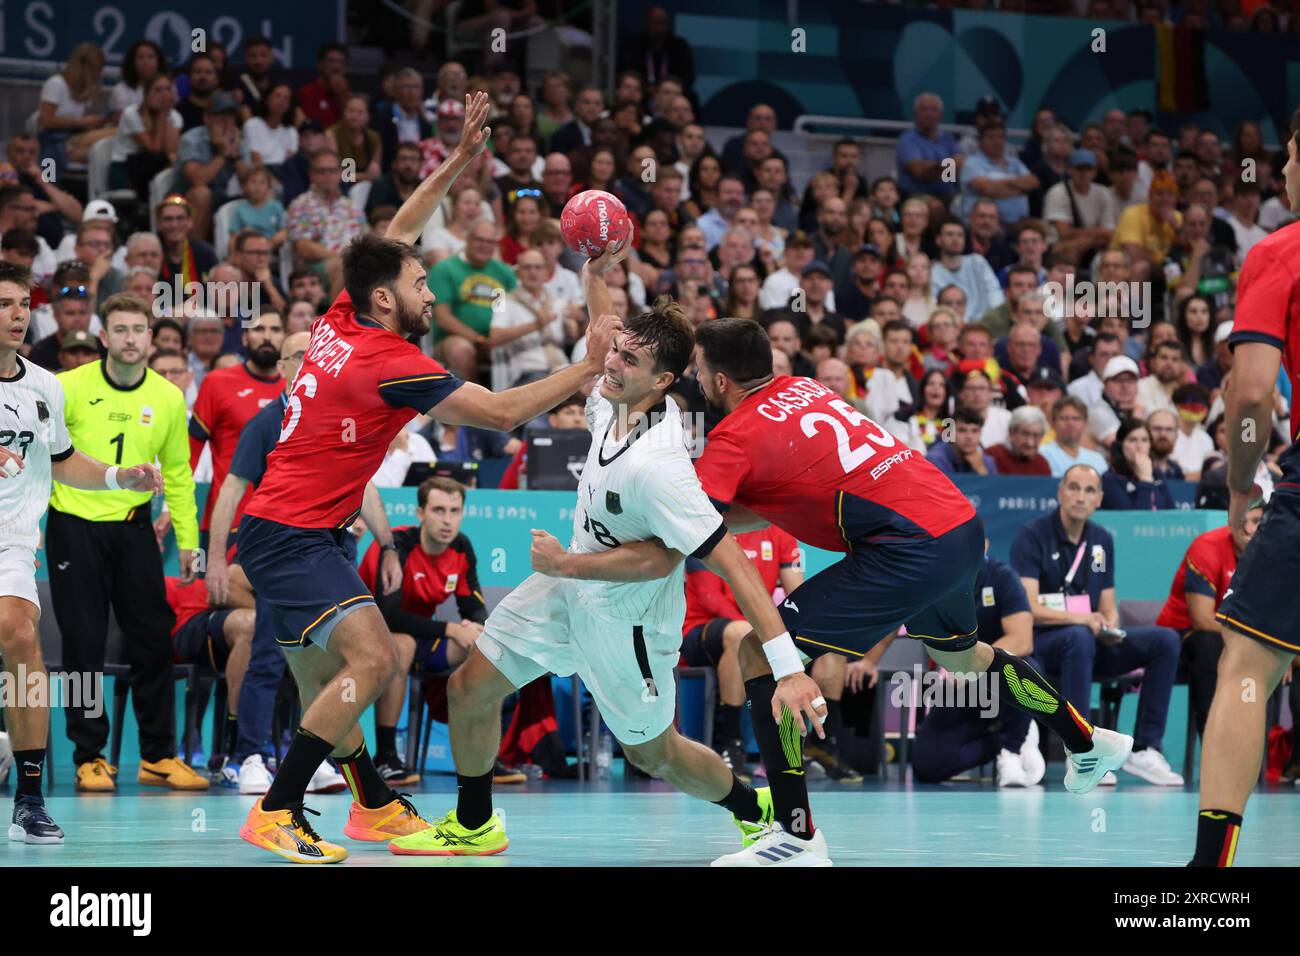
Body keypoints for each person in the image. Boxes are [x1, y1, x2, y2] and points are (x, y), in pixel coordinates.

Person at [232, 92, 620, 864]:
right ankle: (276, 810)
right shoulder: (390, 361)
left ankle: (372, 804)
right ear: (388, 299)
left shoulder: (346, 316)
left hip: (285, 530)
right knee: (372, 661)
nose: (430, 292)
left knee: (322, 687)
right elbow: (505, 413)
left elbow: (397, 232)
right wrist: (587, 365)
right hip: (293, 537)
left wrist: (457, 159)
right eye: (419, 286)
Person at [684, 320, 1131, 867]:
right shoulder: (805, 387)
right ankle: (1086, 741)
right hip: (960, 525)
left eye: (698, 368)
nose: (694, 377)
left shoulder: (733, 437)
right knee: (961, 657)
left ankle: (797, 837)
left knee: (755, 650)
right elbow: (771, 499)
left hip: (906, 548)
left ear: (721, 379)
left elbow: (694, 519)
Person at [389, 261, 787, 861]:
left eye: (629, 360)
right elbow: (607, 329)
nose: (611, 363)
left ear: (664, 381)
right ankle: (474, 824)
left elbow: (661, 562)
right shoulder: (610, 400)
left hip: (627, 620)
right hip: (568, 585)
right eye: (617, 351)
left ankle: (753, 809)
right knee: (470, 688)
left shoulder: (661, 468)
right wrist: (595, 269)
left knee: (654, 754)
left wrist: (566, 567)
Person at [0, 266, 167, 842]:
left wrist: (122, 476)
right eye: (4, 304)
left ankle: (28, 796)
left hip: (12, 539)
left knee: (20, 636)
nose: (18, 315)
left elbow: (65, 458)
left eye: (24, 304)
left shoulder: (45, 385)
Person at [1188, 124, 1300, 865]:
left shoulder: (1279, 250)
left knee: (1249, 664)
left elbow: (1253, 392)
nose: (1283, 168)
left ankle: (1210, 880)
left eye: (1289, 156)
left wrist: (1239, 487)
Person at [44, 293, 204, 795]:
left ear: (151, 340)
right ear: (104, 337)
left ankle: (158, 755)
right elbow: (43, 458)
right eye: (122, 329)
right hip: (74, 525)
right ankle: (89, 756)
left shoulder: (169, 397)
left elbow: (178, 474)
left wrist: (189, 541)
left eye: (140, 329)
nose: (131, 338)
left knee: (153, 639)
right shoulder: (66, 387)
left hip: (135, 529)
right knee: (83, 645)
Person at [201, 332, 356, 795]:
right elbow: (231, 490)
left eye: (318, 357)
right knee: (268, 658)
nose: (313, 364)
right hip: (280, 556)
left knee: (320, 664)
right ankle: (249, 755)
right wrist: (213, 558)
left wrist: (386, 545)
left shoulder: (333, 418)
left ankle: (314, 755)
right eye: (302, 357)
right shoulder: (267, 422)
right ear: (285, 368)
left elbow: (357, 482)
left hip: (325, 554)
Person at [1012, 464, 1184, 788]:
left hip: (1089, 642)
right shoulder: (1032, 536)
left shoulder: (1101, 543)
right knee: (1078, 636)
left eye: (1089, 490)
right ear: (1060, 492)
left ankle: (1145, 748)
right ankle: (1082, 750)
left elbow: (1107, 606)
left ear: (1099, 499)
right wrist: (1083, 619)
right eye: (1073, 488)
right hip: (1045, 646)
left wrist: (1109, 626)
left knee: (1165, 641)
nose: (1080, 496)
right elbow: (1029, 608)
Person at [353, 478, 513, 786]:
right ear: (420, 513)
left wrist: (476, 628)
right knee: (400, 646)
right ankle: (386, 757)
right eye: (439, 510)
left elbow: (472, 607)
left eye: (455, 511)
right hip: (371, 635)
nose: (447, 519)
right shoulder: (396, 546)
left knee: (482, 646)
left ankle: (484, 757)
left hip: (423, 640)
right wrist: (450, 628)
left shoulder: (461, 547)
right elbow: (389, 616)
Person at [681, 526, 811, 780]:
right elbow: (710, 598)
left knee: (810, 640)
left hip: (752, 629)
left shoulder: (781, 533)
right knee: (742, 635)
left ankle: (806, 748)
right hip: (700, 629)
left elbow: (798, 593)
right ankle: (733, 745)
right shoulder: (705, 524)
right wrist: (762, 632)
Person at [912, 542, 1045, 787]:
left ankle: (1011, 750)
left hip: (1000, 682)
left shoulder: (1002, 577)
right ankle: (1009, 738)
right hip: (960, 688)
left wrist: (970, 665)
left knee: (1028, 667)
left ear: (983, 544)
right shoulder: (935, 582)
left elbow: (1022, 639)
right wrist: (869, 661)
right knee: (926, 765)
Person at [1156, 506, 1264, 740]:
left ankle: (1274, 755)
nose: (1253, 528)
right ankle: (1213, 741)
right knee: (1209, 644)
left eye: (1260, 522)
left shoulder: (1269, 556)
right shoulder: (1207, 546)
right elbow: (1202, 619)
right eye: (1250, 520)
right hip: (1182, 636)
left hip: (1235, 639)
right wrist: (1254, 639)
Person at [187, 310, 284, 551]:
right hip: (228, 519)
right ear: (244, 338)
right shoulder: (217, 382)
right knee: (217, 588)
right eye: (259, 330)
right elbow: (191, 452)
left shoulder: (298, 386)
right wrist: (172, 509)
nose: (267, 337)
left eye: (275, 330)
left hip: (284, 521)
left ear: (285, 337)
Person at [1040, 395, 1108, 478]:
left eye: (1076, 418)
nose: (1070, 423)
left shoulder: (1097, 459)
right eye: (1064, 418)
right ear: (1052, 423)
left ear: (1085, 423)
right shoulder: (1042, 455)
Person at [988, 405, 1051, 476]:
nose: (1030, 443)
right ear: (1011, 432)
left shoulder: (1041, 464)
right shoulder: (992, 456)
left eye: (1036, 435)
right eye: (1025, 434)